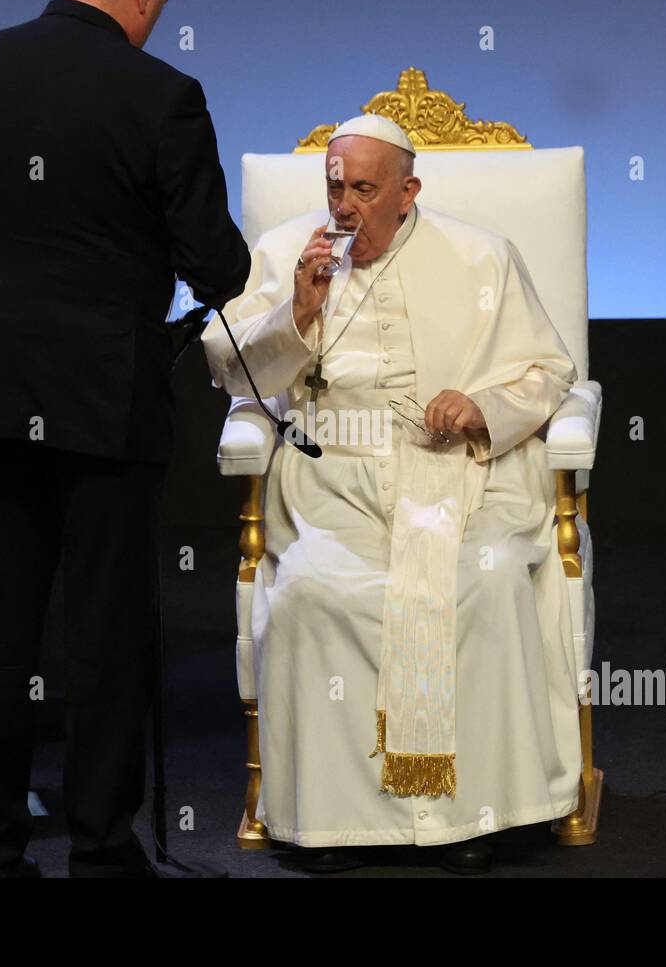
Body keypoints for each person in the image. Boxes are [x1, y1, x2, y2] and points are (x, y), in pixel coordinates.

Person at [0, 0, 250, 878]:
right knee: (104, 637)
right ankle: (99, 849)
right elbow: (216, 262)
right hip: (107, 405)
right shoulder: (161, 94)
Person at [200, 114, 581, 875]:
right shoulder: (286, 254)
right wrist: (298, 310)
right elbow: (229, 368)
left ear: (407, 191)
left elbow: (548, 372)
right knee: (312, 589)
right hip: (331, 477)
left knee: (484, 579)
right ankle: (333, 820)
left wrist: (482, 407)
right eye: (334, 185)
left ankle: (474, 816)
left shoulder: (481, 257)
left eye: (364, 189)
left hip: (458, 472)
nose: (343, 205)